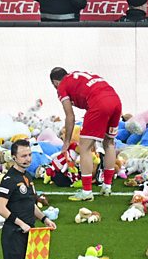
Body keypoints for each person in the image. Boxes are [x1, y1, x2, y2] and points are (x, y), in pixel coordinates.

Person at [49, 67, 123, 201]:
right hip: (116, 101)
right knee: (109, 143)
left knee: (84, 147)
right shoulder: (77, 75)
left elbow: (70, 116)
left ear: (55, 83)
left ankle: (87, 191)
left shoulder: (62, 86)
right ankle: (107, 186)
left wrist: (66, 143)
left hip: (99, 103)